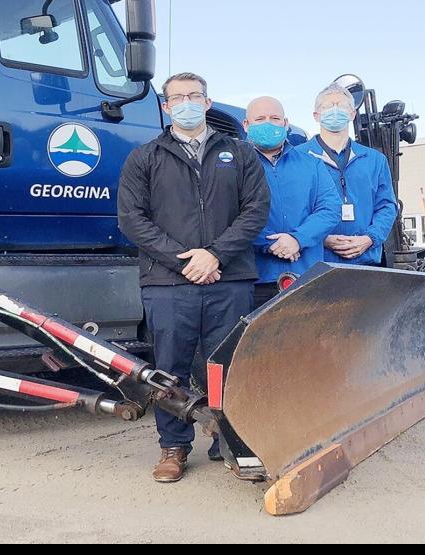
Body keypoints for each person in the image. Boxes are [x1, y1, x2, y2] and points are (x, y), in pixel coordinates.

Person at [117, 72, 270, 482]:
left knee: (227, 365)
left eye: (194, 96)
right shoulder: (144, 157)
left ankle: (233, 444)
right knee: (170, 368)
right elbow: (132, 219)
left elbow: (255, 210)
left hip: (229, 278)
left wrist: (215, 254)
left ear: (207, 102)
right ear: (166, 107)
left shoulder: (240, 153)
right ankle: (174, 447)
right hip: (169, 282)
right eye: (177, 97)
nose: (186, 102)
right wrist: (185, 261)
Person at [245, 96, 342, 311]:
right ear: (246, 125)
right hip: (253, 279)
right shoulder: (235, 166)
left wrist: (298, 239)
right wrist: (269, 244)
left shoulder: (312, 164)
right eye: (260, 119)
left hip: (306, 276)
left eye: (275, 118)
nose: (268, 123)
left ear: (285, 123)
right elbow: (229, 214)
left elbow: (330, 209)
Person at [306, 84, 397, 267]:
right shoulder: (299, 158)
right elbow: (293, 210)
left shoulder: (375, 160)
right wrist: (320, 237)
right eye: (328, 106)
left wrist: (369, 238)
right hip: (316, 263)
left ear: (352, 114)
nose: (335, 110)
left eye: (341, 106)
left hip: (365, 262)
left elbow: (387, 206)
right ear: (316, 115)